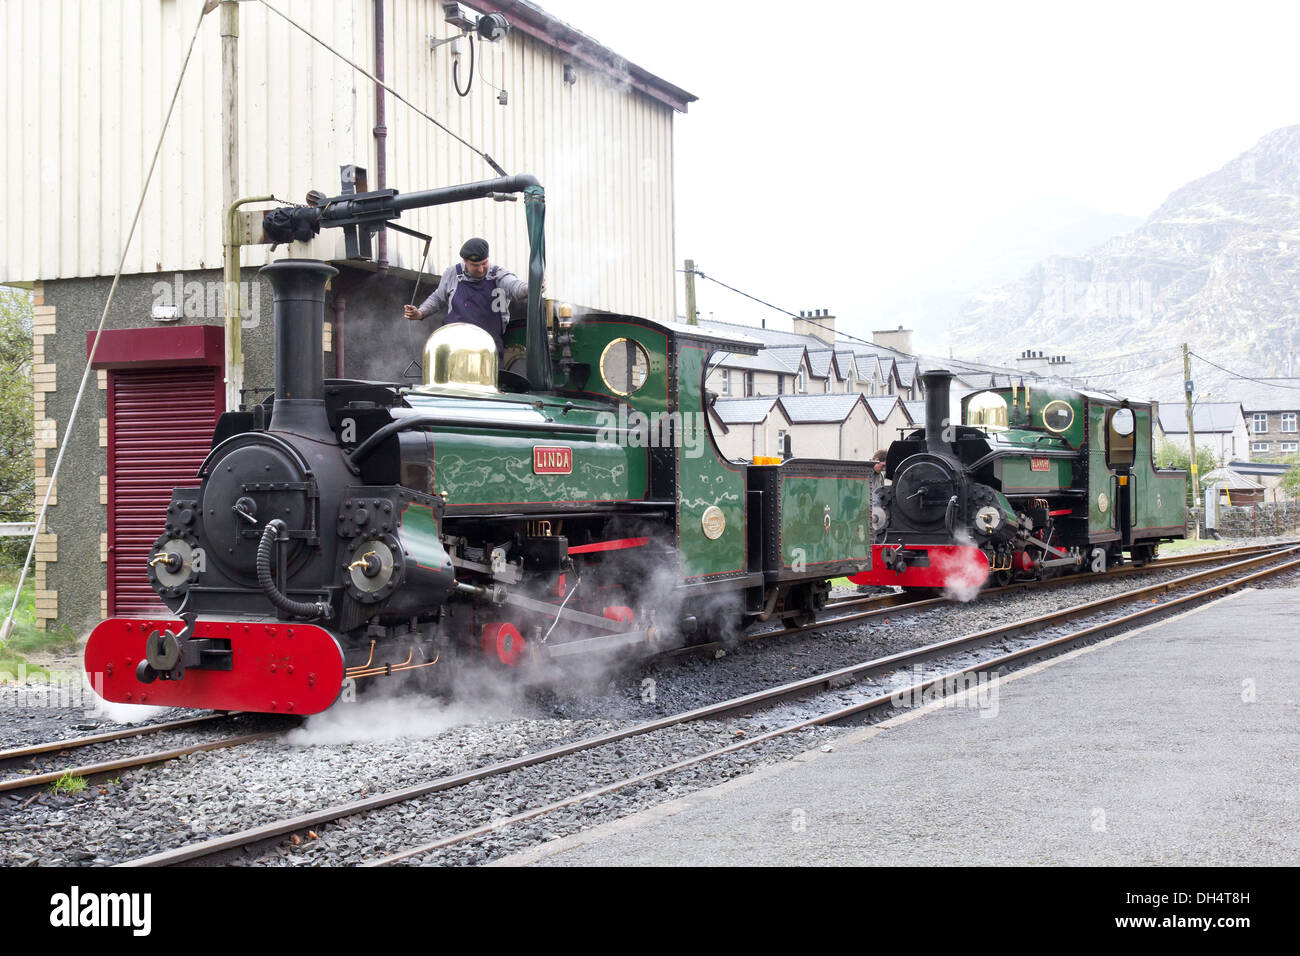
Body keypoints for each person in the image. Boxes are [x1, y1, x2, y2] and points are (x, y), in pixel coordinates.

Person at [403, 237, 535, 355]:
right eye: (475, 265)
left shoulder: (500, 275)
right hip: (454, 348)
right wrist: (420, 313)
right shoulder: (452, 273)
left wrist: (531, 288)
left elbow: (515, 287)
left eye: (484, 263)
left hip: (489, 350)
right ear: (465, 261)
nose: (481, 269)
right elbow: (438, 298)